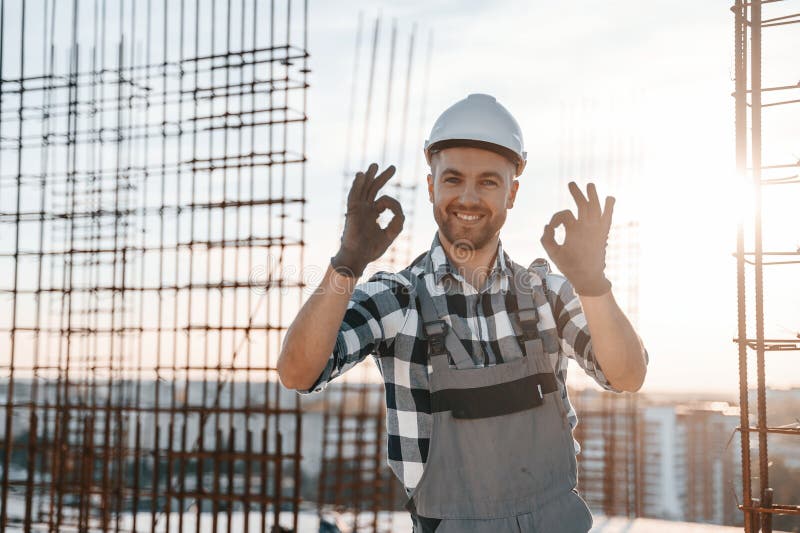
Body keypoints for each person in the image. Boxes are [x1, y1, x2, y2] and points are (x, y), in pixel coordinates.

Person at [277, 93, 649, 532]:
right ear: (432, 185)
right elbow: (299, 372)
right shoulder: (398, 299)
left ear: (512, 192)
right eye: (453, 179)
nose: (468, 198)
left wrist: (593, 285)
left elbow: (627, 375)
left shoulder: (548, 294)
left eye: (489, 182)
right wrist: (346, 265)